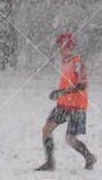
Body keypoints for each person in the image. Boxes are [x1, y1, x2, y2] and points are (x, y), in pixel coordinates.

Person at [38, 31, 96, 171]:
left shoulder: (77, 62)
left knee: (70, 139)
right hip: (63, 104)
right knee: (46, 130)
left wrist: (61, 92)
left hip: (77, 107)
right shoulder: (64, 63)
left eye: (62, 46)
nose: (59, 49)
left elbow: (83, 84)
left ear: (69, 46)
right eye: (58, 46)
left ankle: (89, 157)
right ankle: (50, 162)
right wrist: (60, 94)